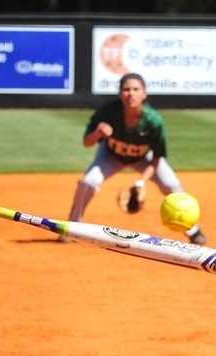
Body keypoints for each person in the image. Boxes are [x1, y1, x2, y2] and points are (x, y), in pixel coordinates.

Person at [68, 72, 207, 245]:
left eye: (136, 89)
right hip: (111, 155)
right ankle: (72, 228)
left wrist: (141, 182)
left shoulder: (153, 120)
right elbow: (86, 142)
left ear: (144, 93)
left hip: (144, 159)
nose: (131, 94)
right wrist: (97, 134)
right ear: (120, 93)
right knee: (88, 181)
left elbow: (157, 157)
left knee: (172, 184)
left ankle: (193, 230)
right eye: (126, 89)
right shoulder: (108, 112)